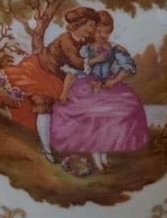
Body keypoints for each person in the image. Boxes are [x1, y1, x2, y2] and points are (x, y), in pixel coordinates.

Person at [0, 6, 101, 162]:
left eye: (94, 26)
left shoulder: (84, 40)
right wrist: (96, 60)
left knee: (77, 104)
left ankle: (73, 143)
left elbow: (90, 49)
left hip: (57, 75)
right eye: (90, 26)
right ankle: (46, 148)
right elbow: (76, 62)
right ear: (78, 25)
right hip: (40, 70)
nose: (92, 29)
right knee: (43, 104)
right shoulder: (66, 40)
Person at [48, 10, 149, 171]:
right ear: (92, 30)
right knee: (93, 114)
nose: (102, 35)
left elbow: (127, 68)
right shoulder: (84, 50)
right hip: (86, 86)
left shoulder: (115, 49)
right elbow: (73, 72)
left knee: (125, 109)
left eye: (107, 32)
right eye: (99, 30)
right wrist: (65, 92)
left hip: (109, 85)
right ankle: (97, 159)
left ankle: (103, 157)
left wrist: (114, 81)